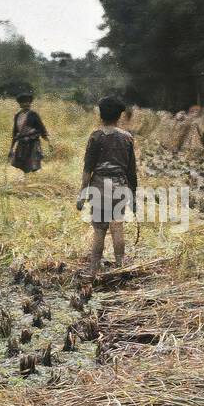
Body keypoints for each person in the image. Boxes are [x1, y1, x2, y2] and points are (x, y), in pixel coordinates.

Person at [77, 95, 138, 277]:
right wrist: (133, 196)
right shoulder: (127, 138)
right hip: (119, 185)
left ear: (100, 115)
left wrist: (82, 193)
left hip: (99, 186)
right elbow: (131, 172)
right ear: (119, 116)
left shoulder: (96, 137)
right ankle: (120, 266)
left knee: (99, 229)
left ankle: (94, 268)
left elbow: (88, 169)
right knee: (117, 226)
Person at [8, 92, 48, 175]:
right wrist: (12, 147)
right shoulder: (17, 115)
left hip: (32, 142)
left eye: (28, 102)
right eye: (24, 102)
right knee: (22, 164)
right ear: (20, 104)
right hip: (22, 142)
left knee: (32, 164)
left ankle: (34, 181)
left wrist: (46, 139)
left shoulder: (33, 115)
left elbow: (41, 128)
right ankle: (26, 181)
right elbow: (15, 131)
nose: (26, 104)